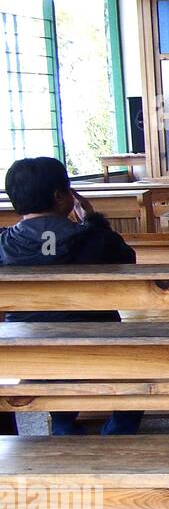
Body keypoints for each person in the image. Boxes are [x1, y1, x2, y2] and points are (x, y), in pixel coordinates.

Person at [0, 156, 143, 436]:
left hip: (26, 352)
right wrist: (94, 220)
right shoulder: (95, 240)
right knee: (143, 367)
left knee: (52, 357)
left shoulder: (3, 245)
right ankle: (118, 432)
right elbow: (128, 263)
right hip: (98, 347)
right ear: (61, 196)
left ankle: (64, 424)